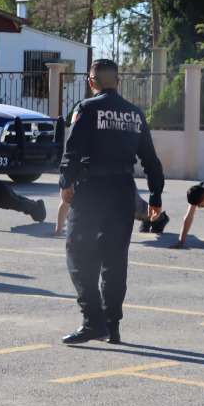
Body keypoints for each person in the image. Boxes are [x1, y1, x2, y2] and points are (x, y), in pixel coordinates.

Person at [59, 59, 164, 345]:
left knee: (78, 253)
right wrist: (155, 195)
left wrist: (65, 182)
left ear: (91, 81)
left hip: (91, 191)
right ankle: (112, 325)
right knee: (115, 260)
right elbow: (151, 159)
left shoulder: (86, 108)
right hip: (122, 192)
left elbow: (72, 149)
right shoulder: (134, 113)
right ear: (117, 81)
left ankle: (93, 322)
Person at [55, 194, 168, 237]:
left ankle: (160, 218)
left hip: (119, 182)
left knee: (139, 209)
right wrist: (58, 231)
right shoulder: (72, 180)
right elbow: (65, 203)